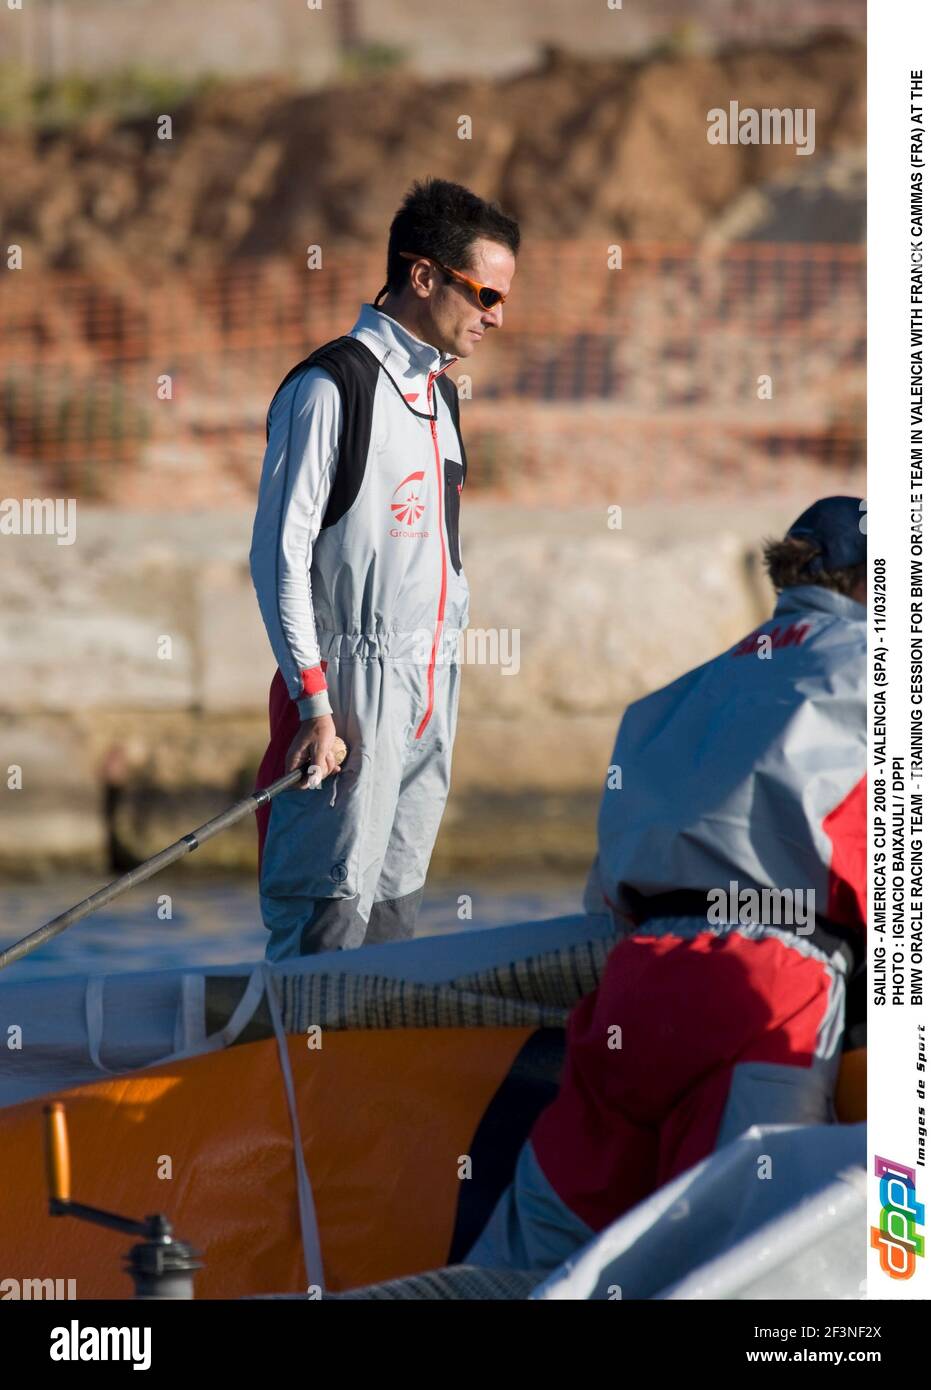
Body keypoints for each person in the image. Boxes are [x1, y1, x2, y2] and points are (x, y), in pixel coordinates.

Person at [467, 495, 867, 1272]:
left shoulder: (675, 694)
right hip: (765, 990)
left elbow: (607, 895)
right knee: (740, 1266)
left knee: (523, 1274)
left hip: (632, 991)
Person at [249, 178, 519, 960]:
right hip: (347, 695)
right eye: (486, 292)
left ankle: (369, 1079)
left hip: (429, 690)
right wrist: (314, 705)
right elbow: (277, 559)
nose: (497, 315)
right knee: (327, 924)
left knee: (393, 934)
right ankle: (295, 1074)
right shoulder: (330, 386)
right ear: (424, 275)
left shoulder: (441, 399)